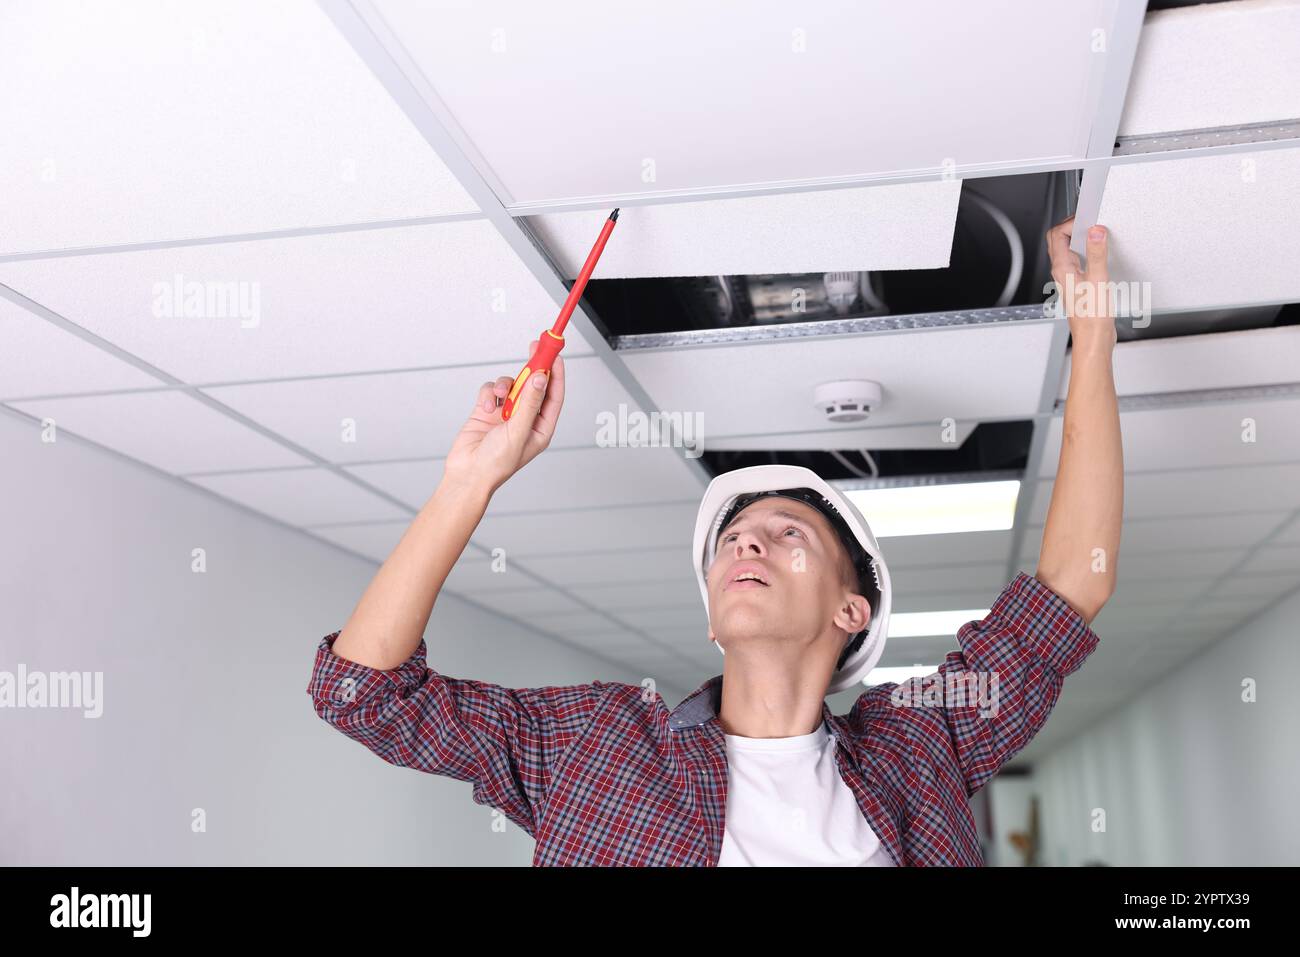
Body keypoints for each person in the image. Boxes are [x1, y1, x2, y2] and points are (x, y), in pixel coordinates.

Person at [306, 216, 1123, 866]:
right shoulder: (597, 749)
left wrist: (1092, 347)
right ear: (711, 619)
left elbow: (1070, 586)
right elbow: (362, 696)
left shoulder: (921, 749)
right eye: (733, 537)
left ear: (852, 608)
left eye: (786, 531)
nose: (748, 545)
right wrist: (468, 482)